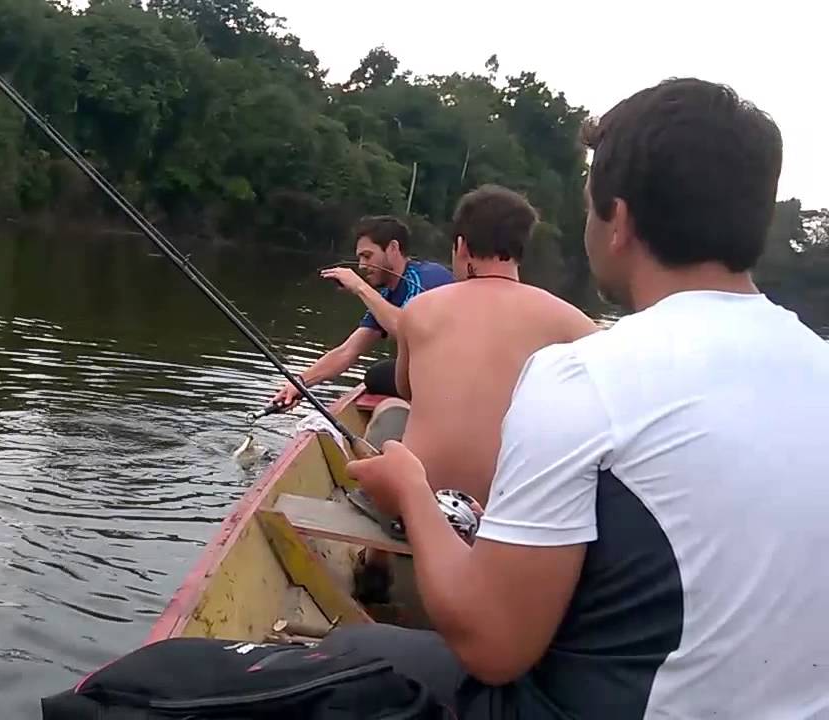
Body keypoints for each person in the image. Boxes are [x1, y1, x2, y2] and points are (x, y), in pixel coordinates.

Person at [338, 77, 829, 719]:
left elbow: (492, 648)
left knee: (351, 654)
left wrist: (410, 491)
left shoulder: (583, 376)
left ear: (617, 221)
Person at [326, 184, 597, 506]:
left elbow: (407, 389)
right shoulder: (574, 323)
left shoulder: (418, 309)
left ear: (461, 245)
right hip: (506, 509)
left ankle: (374, 532)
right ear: (521, 247)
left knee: (390, 409)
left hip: (415, 503)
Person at [269, 216, 453, 410]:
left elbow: (408, 332)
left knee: (379, 375)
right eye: (360, 258)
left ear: (393, 248)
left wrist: (360, 288)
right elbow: (347, 351)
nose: (362, 265)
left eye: (367, 256)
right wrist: (299, 384)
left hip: (454, 378)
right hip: (428, 376)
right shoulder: (385, 297)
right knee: (378, 376)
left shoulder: (428, 277)